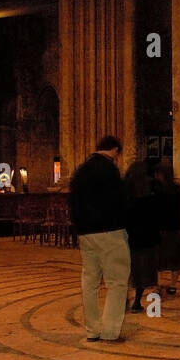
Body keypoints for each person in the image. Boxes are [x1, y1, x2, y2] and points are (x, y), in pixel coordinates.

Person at [69, 136, 130, 342]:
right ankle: (110, 331)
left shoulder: (80, 170)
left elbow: (73, 203)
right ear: (115, 150)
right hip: (109, 231)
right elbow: (120, 201)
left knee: (90, 282)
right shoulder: (109, 170)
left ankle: (92, 330)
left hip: (85, 234)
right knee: (117, 282)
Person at [124, 159, 162, 313]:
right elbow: (158, 211)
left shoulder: (124, 186)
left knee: (127, 269)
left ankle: (124, 298)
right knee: (143, 269)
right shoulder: (153, 187)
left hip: (128, 235)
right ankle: (137, 301)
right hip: (147, 236)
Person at [154, 161, 180, 295]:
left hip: (160, 228)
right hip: (176, 228)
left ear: (160, 174)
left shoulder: (156, 190)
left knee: (159, 260)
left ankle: (158, 285)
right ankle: (173, 285)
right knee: (176, 259)